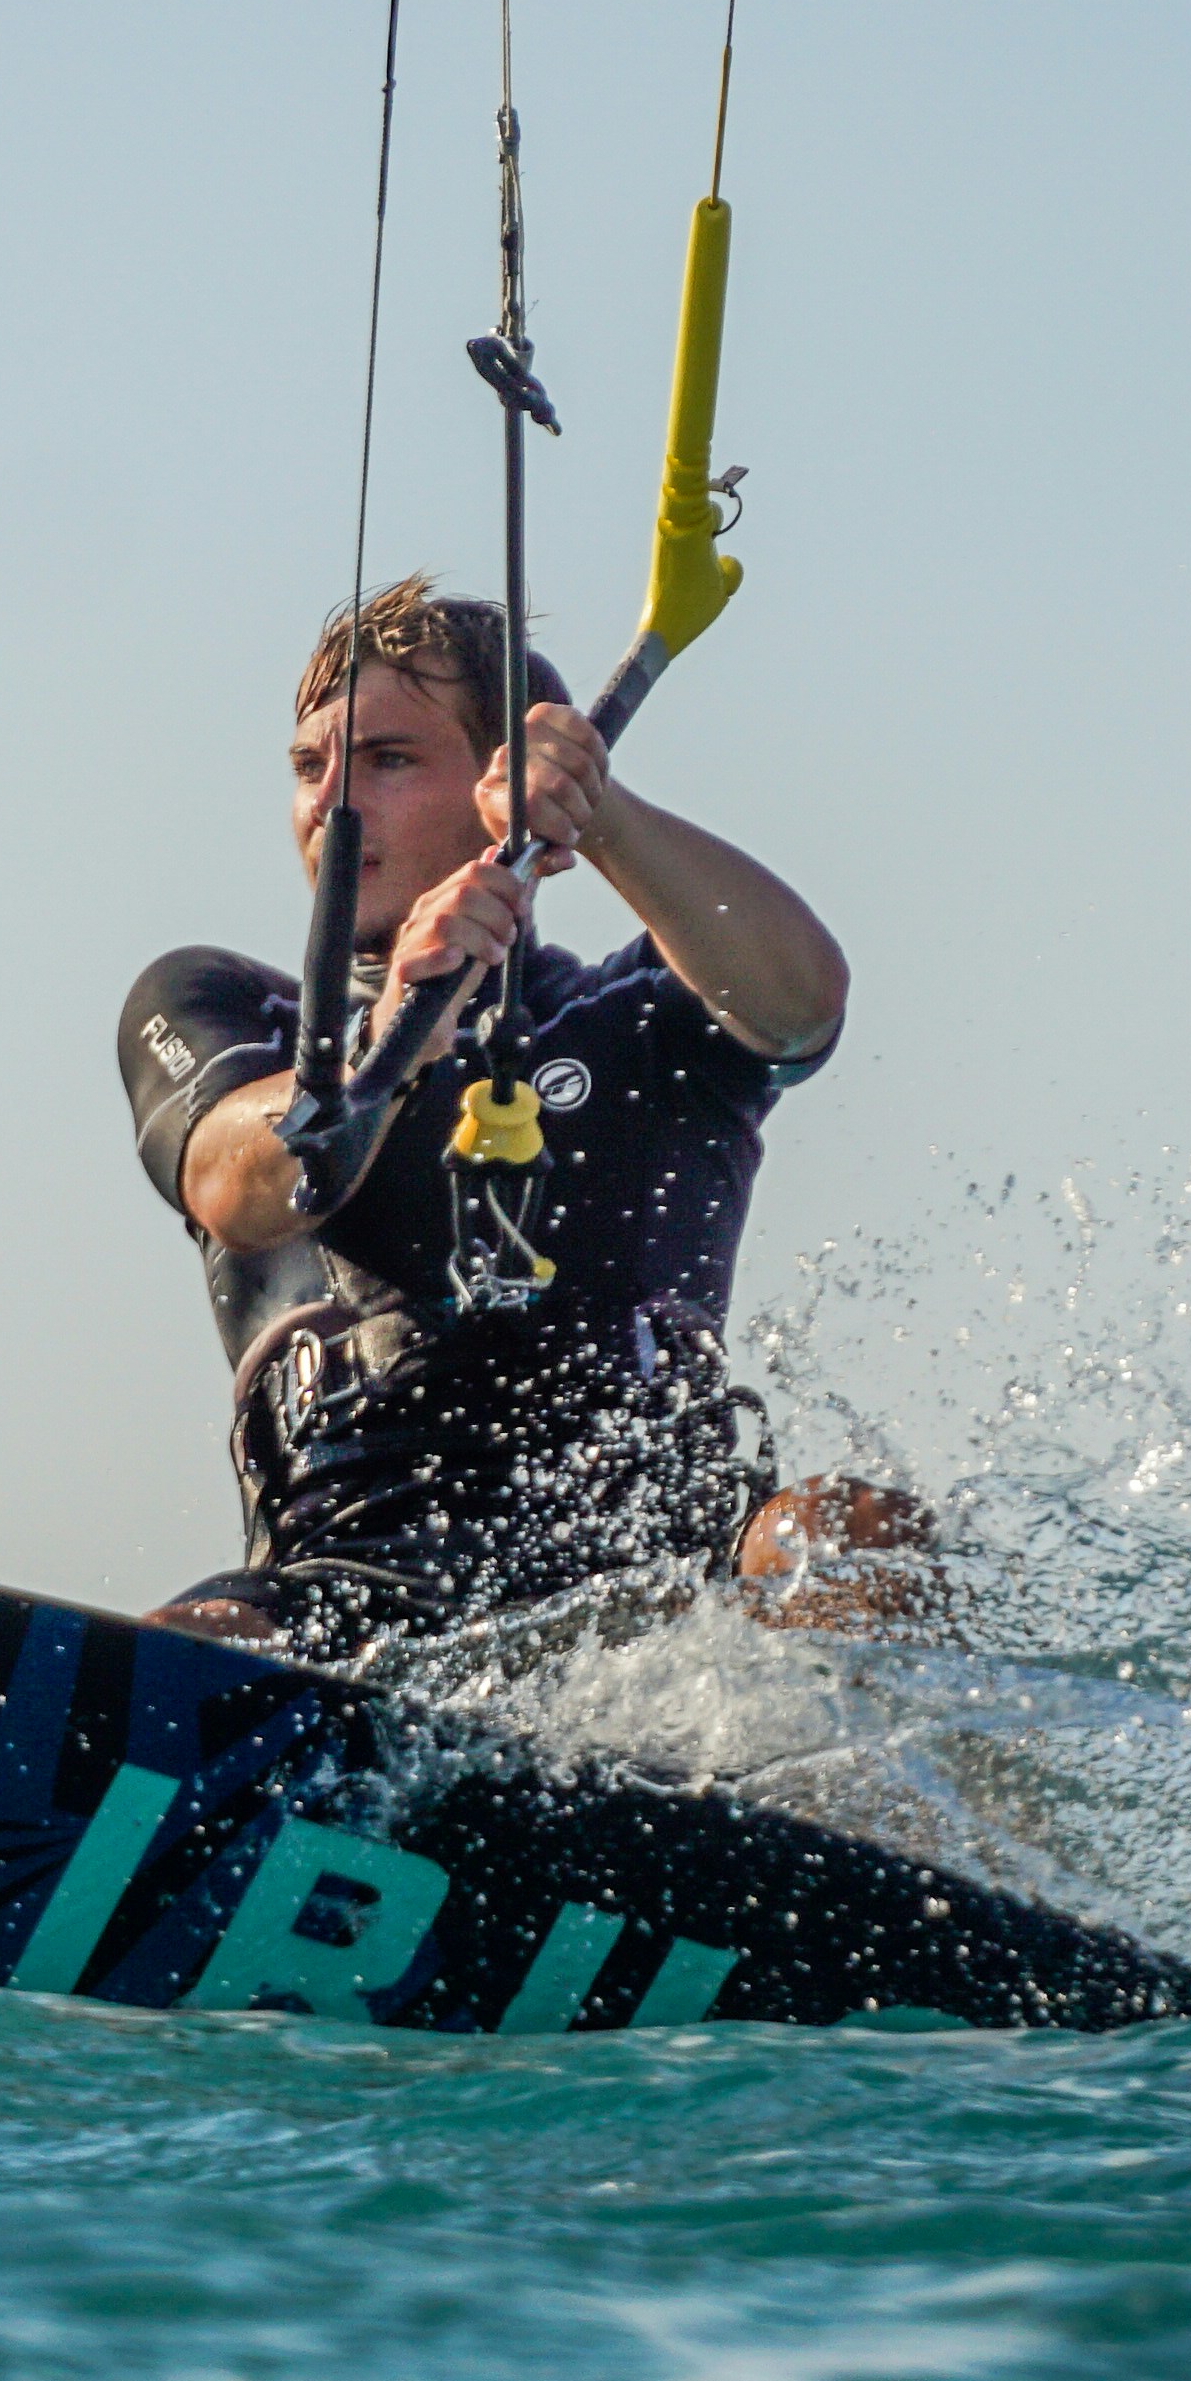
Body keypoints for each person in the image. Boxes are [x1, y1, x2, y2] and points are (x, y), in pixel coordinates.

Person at [117, 577, 900, 1657]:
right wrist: (394, 1031)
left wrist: (607, 813)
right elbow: (231, 1184)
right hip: (350, 1587)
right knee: (177, 1648)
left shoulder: (638, 1016)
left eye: (388, 761)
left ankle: (834, 1813)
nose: (329, 804)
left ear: (503, 791)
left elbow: (801, 1003)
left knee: (854, 1530)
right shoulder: (226, 1007)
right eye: (310, 766)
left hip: (665, 1588)